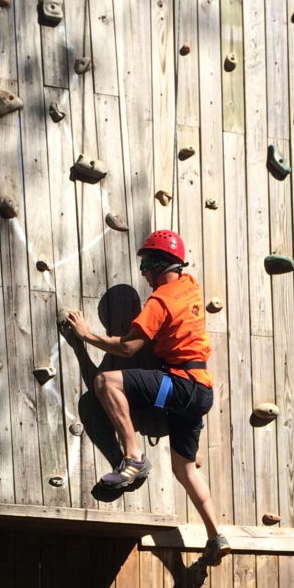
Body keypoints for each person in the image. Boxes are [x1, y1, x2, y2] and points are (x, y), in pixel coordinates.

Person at [65, 228, 229, 566]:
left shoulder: (161, 300)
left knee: (106, 382)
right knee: (185, 469)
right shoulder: (189, 286)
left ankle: (134, 457)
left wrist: (85, 336)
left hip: (180, 385)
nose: (144, 275)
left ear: (158, 265)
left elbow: (127, 348)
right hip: (201, 390)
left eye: (146, 267)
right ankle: (216, 535)